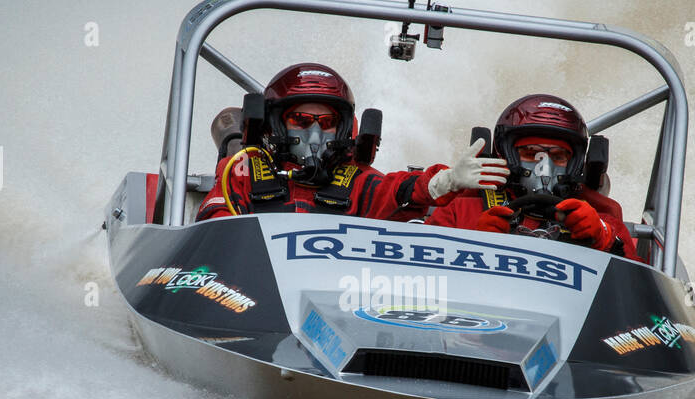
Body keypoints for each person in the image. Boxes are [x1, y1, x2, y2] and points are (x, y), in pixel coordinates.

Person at [195, 63, 447, 221]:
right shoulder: (241, 171)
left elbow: (401, 189)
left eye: (327, 123)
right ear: (275, 124)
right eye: (301, 120)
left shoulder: (359, 180)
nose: (315, 134)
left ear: (344, 129)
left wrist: (441, 182)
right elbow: (215, 231)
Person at [424, 94, 638, 257]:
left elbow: (638, 291)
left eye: (558, 156)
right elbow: (422, 267)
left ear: (575, 163)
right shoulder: (461, 211)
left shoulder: (599, 221)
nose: (544, 167)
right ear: (507, 156)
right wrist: (472, 241)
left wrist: (604, 238)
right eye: (530, 153)